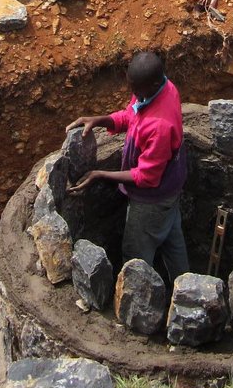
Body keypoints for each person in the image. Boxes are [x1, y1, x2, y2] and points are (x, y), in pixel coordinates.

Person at [66, 51, 189, 283]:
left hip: (152, 200)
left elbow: (147, 177)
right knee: (172, 239)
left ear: (152, 84)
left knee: (136, 258)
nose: (132, 93)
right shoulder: (159, 88)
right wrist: (100, 120)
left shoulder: (160, 126)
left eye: (136, 89)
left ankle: (142, 310)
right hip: (169, 192)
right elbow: (131, 115)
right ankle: (189, 288)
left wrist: (100, 174)